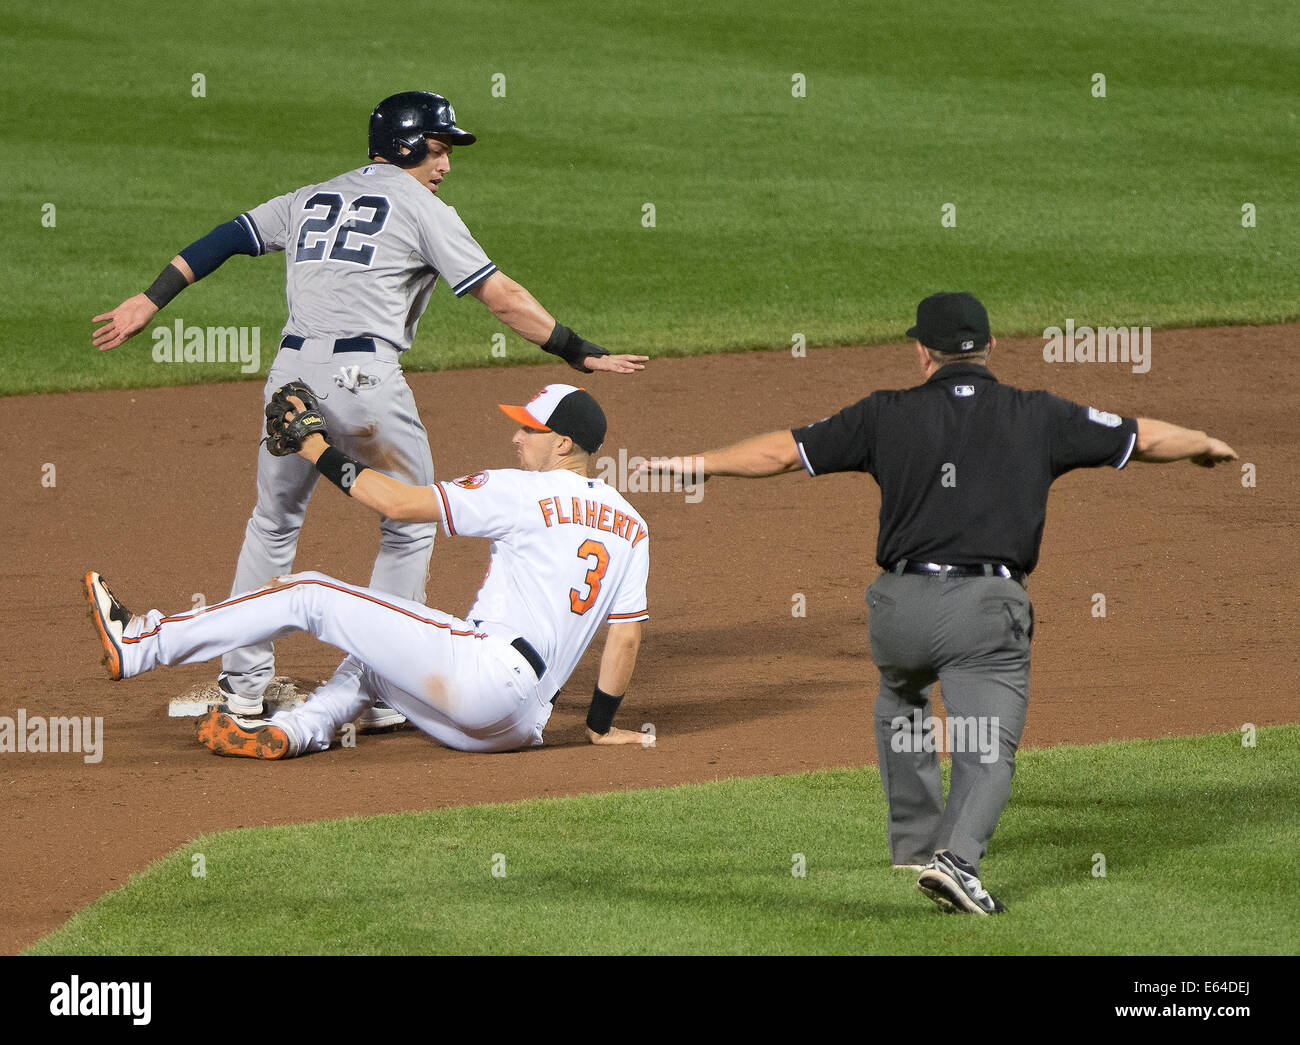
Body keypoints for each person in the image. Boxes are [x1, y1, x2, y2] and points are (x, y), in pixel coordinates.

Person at [640, 292, 1237, 915]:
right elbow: (1141, 438)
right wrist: (1202, 442)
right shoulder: (1040, 414)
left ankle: (915, 844)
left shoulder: (883, 414)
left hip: (896, 611)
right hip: (983, 613)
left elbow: (784, 452)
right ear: (989, 348)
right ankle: (957, 862)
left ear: (922, 352)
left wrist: (695, 464)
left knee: (902, 696)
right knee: (985, 746)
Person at [91, 90, 646, 730]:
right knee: (409, 524)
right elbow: (503, 297)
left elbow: (229, 237)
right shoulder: (423, 208)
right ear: (407, 145)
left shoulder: (311, 196)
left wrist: (150, 300)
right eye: (437, 149)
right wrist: (574, 350)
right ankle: (381, 686)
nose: (445, 164)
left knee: (272, 522)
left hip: (290, 377)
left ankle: (242, 688)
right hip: (366, 383)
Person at [84, 384, 652, 757]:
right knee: (375, 663)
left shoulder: (523, 489)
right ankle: (290, 733)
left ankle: (141, 642)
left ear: (564, 443)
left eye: (529, 429)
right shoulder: (631, 525)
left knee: (307, 591)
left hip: (487, 674)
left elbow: (399, 504)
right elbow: (625, 636)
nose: (516, 436)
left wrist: (315, 450)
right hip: (518, 727)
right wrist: (599, 726)